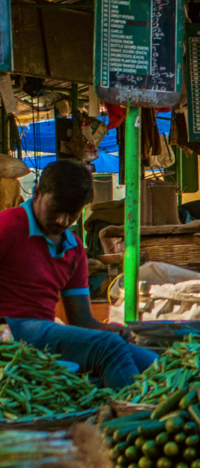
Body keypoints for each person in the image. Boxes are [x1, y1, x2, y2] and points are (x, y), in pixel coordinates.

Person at [0, 161, 157, 388]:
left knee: (152, 363)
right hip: (10, 330)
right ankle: (131, 415)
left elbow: (81, 320)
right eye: (56, 210)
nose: (63, 221)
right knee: (108, 348)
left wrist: (111, 330)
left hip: (43, 333)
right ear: (37, 193)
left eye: (72, 214)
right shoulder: (8, 225)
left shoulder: (74, 248)